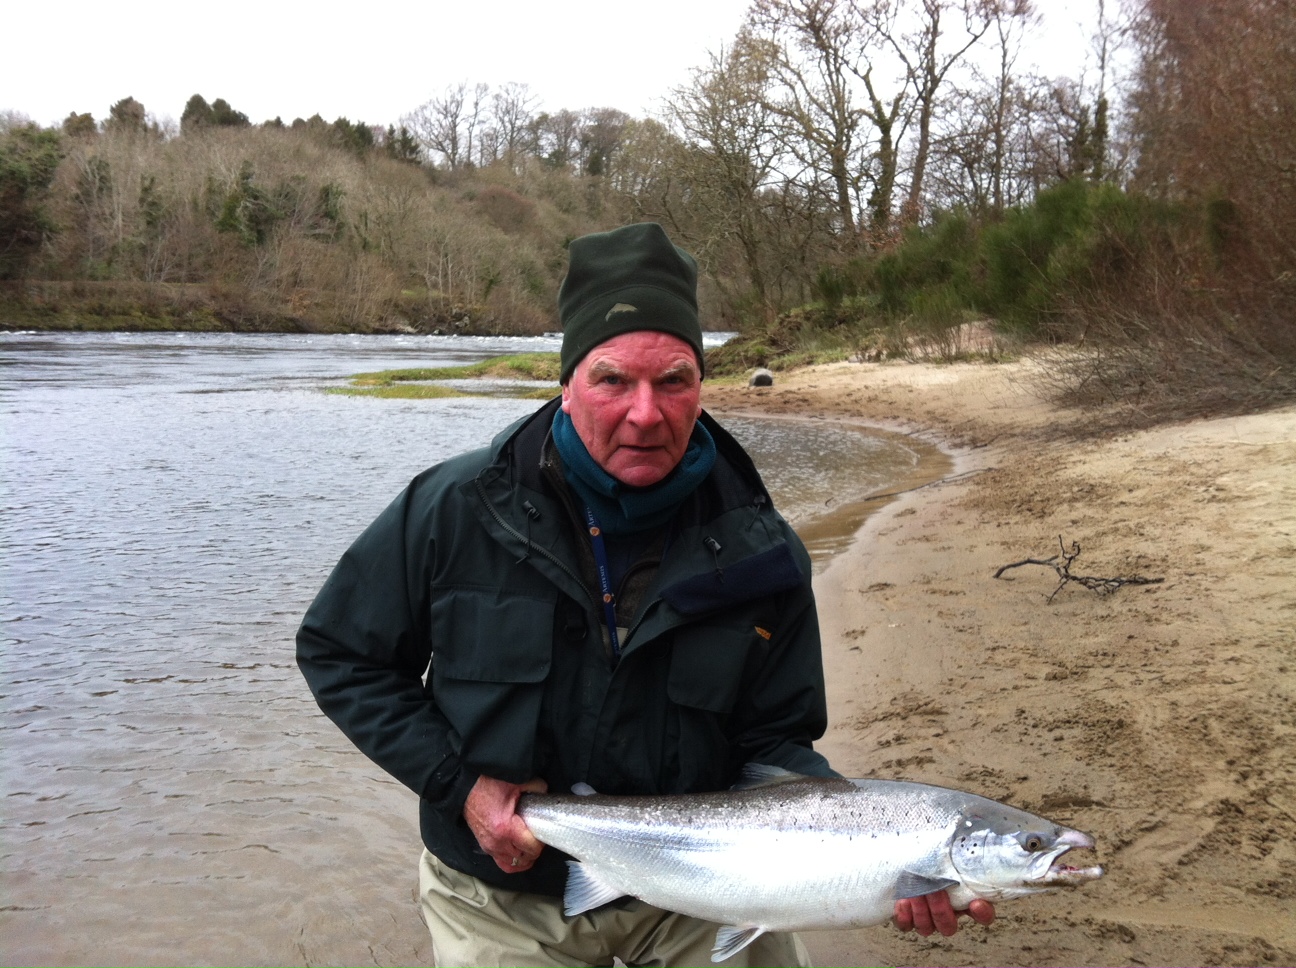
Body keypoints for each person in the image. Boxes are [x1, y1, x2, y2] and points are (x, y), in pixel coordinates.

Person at [296, 223, 992, 967]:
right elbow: (340, 653)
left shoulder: (764, 549)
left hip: (710, 889)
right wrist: (459, 785)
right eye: (612, 380)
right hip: (498, 893)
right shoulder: (454, 509)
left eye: (673, 381)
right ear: (567, 384)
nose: (645, 413)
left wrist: (877, 855)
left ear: (702, 385)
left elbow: (776, 742)